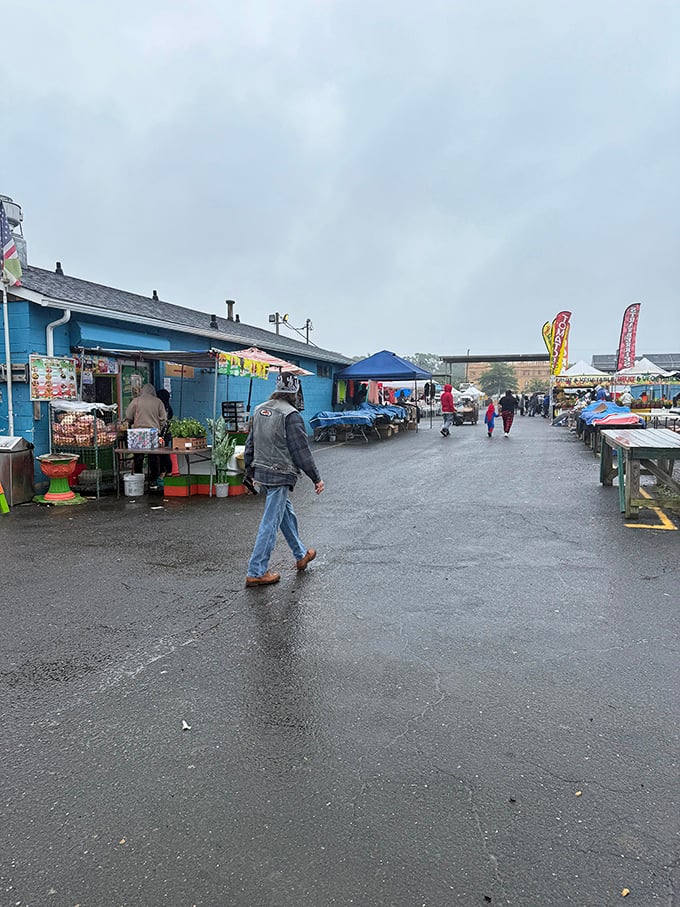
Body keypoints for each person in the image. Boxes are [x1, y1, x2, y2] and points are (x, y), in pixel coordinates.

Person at [244, 372, 324, 587]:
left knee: (285, 515)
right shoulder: (291, 415)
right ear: (295, 392)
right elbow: (300, 451)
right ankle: (256, 570)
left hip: (262, 472)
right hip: (280, 474)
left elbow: (250, 443)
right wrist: (316, 478)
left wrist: (249, 471)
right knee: (270, 522)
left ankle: (300, 554)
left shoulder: (260, 409)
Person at [125, 384, 167, 484]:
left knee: (138, 457)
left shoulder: (136, 401)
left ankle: (138, 478)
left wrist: (132, 423)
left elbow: (128, 416)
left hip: (138, 433)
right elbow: (163, 419)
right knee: (153, 456)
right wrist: (159, 428)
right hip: (153, 432)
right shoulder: (158, 402)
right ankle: (153, 480)